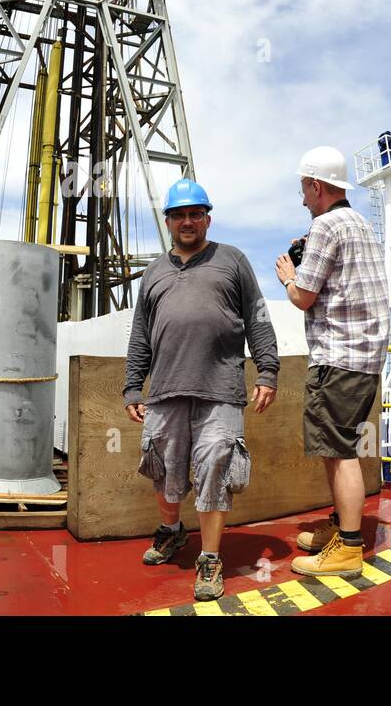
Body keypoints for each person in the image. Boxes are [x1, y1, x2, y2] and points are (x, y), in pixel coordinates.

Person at [125, 178, 280, 602]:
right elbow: (141, 334)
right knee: (163, 469)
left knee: (215, 468)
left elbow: (258, 318)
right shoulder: (154, 271)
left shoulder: (232, 260)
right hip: (166, 390)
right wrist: (132, 387)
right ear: (169, 221)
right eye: (180, 215)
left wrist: (267, 370)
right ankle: (172, 532)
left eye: (196, 214)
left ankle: (210, 558)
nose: (188, 222)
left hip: (220, 390)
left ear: (208, 218)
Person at [274, 146, 389, 578]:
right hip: (365, 356)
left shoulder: (325, 226)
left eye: (304, 188)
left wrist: (288, 274)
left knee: (339, 452)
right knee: (336, 446)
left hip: (338, 356)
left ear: (316, 186)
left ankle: (348, 550)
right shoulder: (359, 223)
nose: (302, 198)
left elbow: (304, 297)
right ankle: (343, 527)